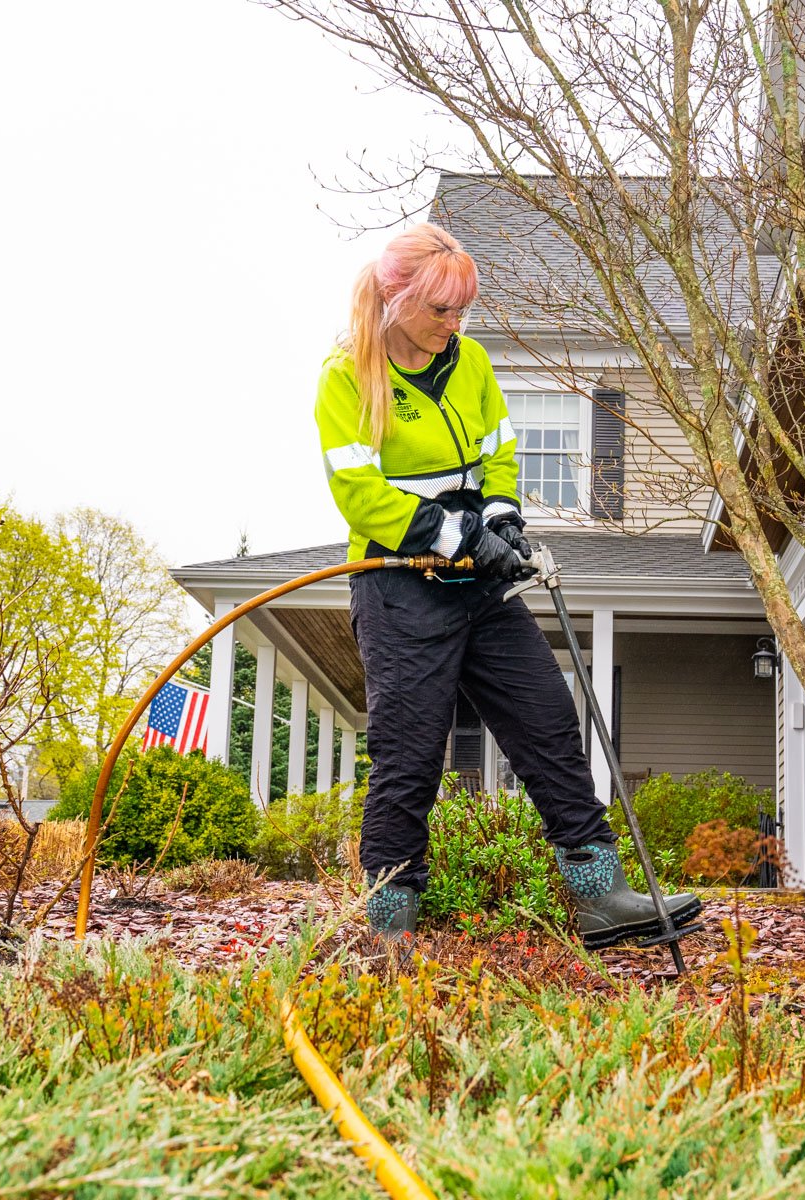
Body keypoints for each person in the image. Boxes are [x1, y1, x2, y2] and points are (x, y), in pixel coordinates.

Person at [314, 222, 701, 948]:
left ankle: (601, 896)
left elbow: (499, 452)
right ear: (397, 299)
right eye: (441, 310)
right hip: (400, 587)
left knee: (549, 725)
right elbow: (362, 497)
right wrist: (463, 540)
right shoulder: (347, 376)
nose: (455, 325)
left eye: (464, 310)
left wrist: (505, 524)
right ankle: (387, 933)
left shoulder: (470, 364)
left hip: (482, 585)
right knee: (409, 760)